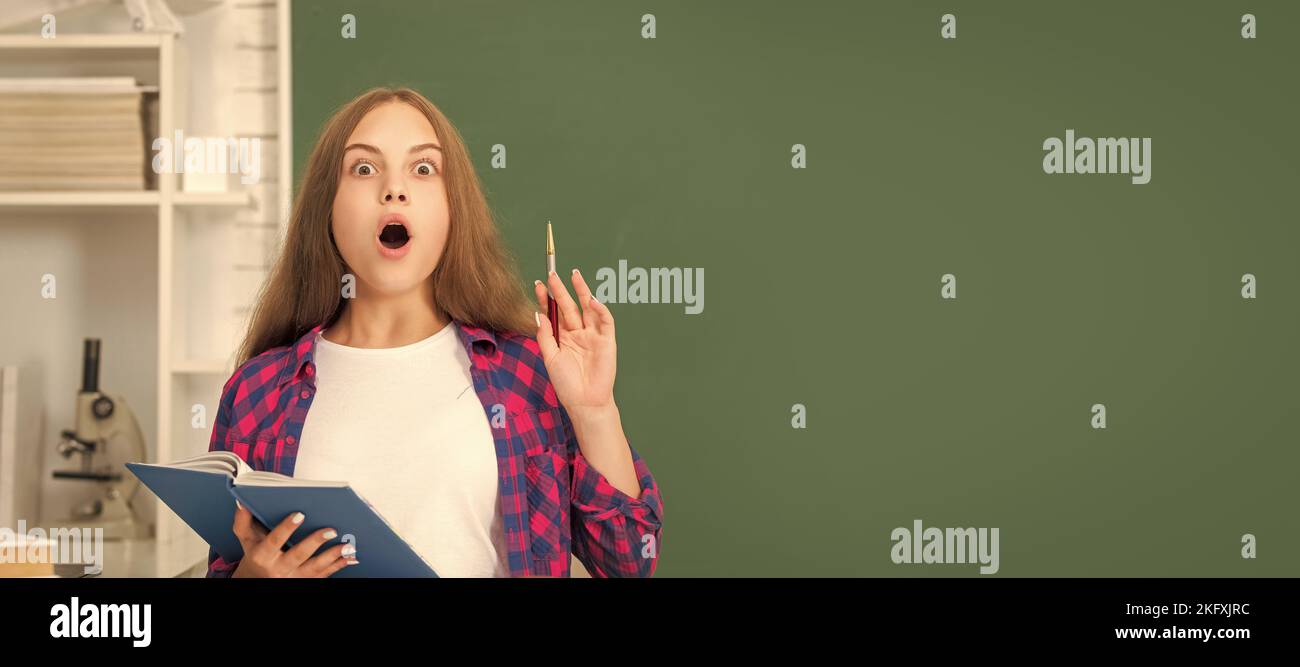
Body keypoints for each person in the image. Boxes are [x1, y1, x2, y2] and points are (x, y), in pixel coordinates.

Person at [204, 87, 663, 578]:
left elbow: (629, 561)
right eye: (363, 168)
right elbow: (227, 563)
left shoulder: (527, 373)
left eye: (423, 169)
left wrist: (595, 413)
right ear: (328, 208)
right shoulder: (258, 390)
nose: (394, 189)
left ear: (451, 209)